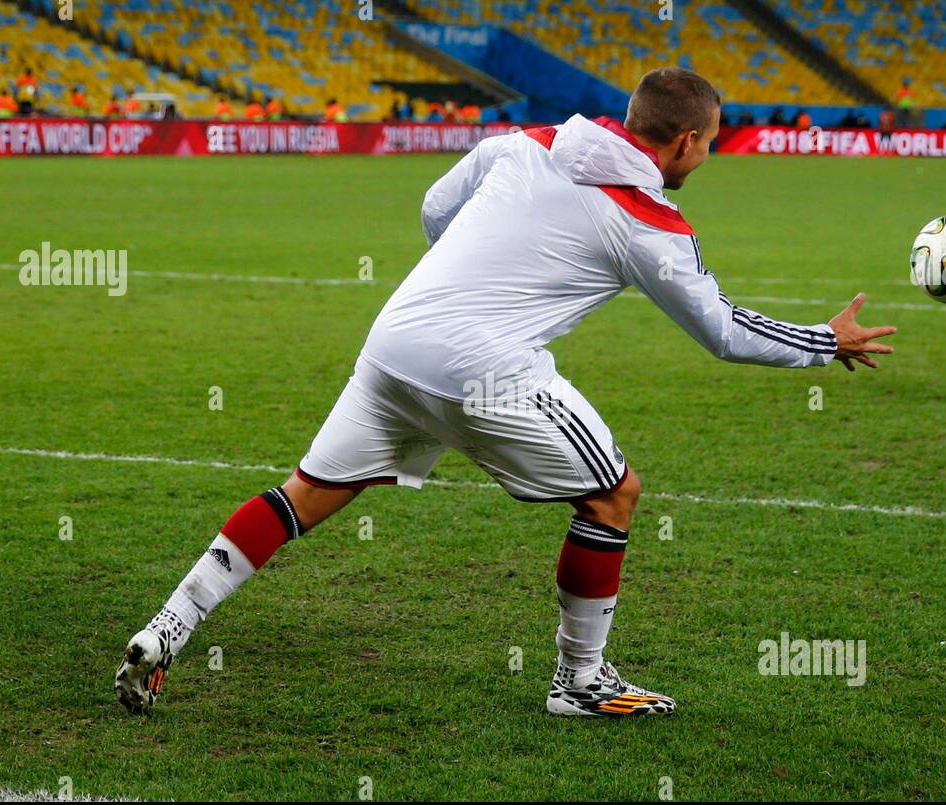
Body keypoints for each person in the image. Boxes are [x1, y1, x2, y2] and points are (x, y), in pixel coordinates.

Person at [114, 67, 896, 718]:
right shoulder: (650, 220)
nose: (707, 158)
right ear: (687, 141)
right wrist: (828, 340)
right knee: (613, 495)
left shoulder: (525, 143)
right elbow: (723, 330)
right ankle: (580, 682)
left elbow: (432, 210)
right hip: (484, 369)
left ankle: (167, 628)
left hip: (394, 340)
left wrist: (466, 282)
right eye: (711, 145)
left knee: (309, 492)